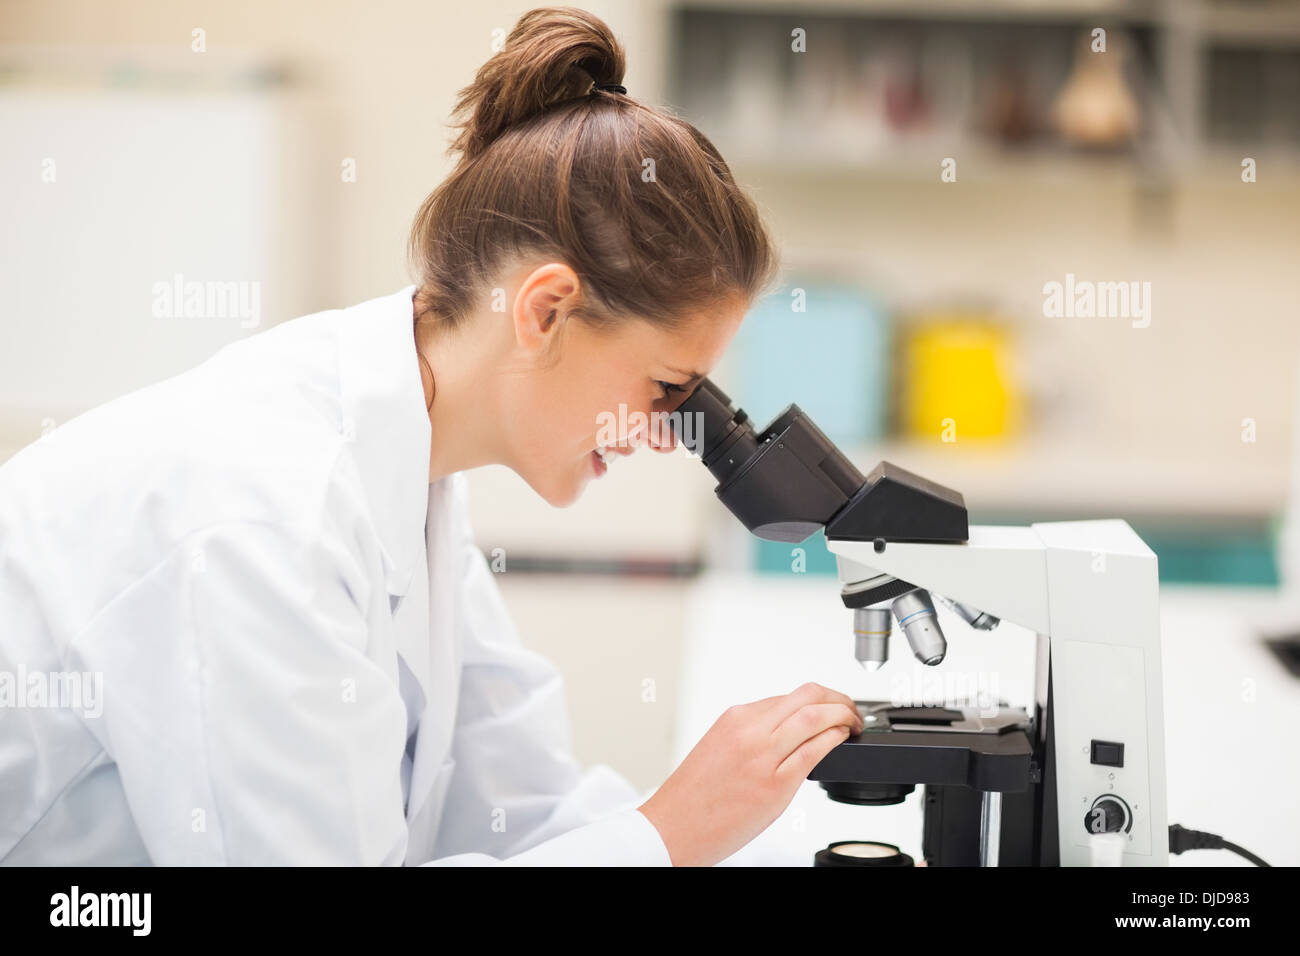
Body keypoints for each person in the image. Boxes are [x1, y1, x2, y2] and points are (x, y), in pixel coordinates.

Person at [0, 6, 863, 866]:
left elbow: (522, 811)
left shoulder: (410, 474)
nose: (668, 432)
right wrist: (671, 834)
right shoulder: (265, 513)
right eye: (668, 389)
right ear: (546, 310)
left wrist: (710, 830)